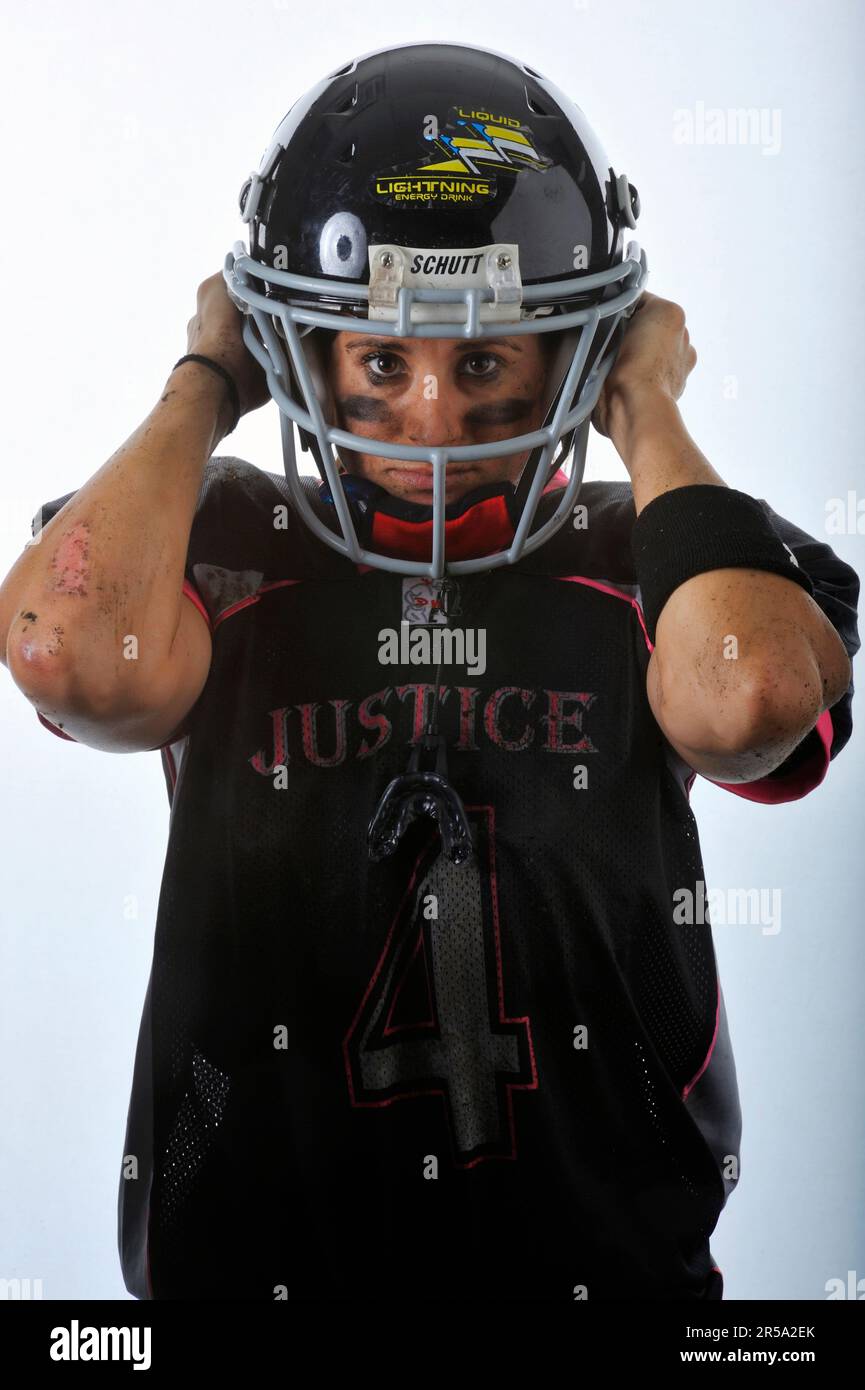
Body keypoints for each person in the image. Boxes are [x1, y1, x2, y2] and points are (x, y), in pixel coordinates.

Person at [0, 42, 858, 1303]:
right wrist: (202, 385)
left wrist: (652, 416)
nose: (434, 426)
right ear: (301, 349)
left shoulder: (662, 555)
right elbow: (65, 651)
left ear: (575, 357)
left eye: (487, 365)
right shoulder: (225, 540)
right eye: (383, 363)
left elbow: (750, 701)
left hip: (605, 1290)